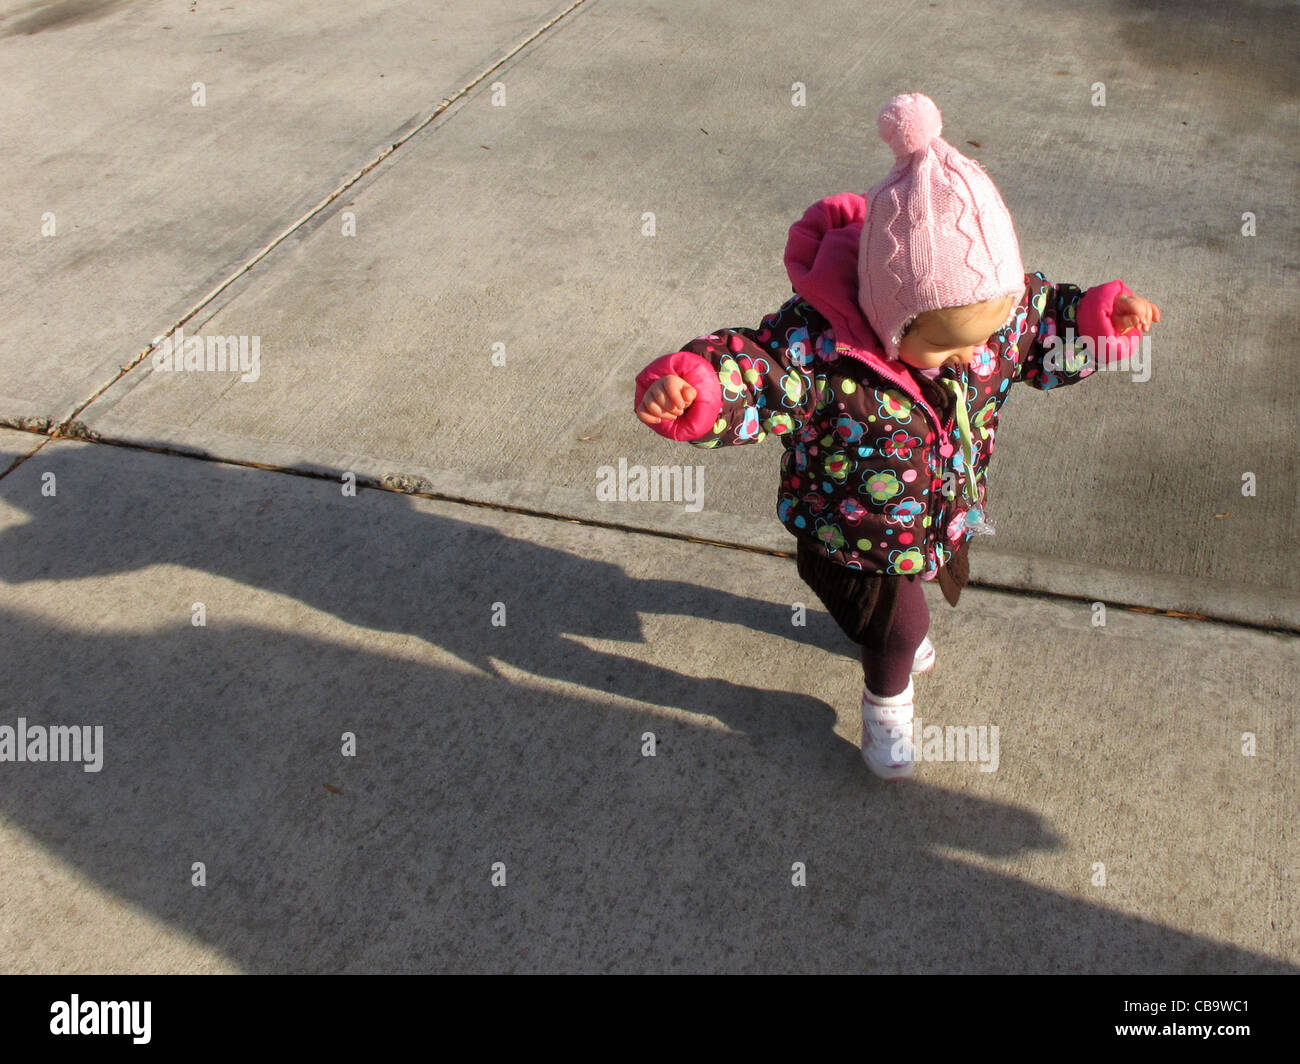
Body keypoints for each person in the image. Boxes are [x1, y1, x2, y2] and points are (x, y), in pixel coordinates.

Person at [633, 93, 1160, 778]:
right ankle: (887, 709)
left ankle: (897, 636)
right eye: (943, 350)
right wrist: (699, 387)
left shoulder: (988, 322)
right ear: (891, 316)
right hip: (850, 531)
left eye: (984, 338)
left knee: (938, 578)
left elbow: (1042, 330)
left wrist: (1095, 322)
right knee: (900, 629)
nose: (970, 360)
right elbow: (756, 369)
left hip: (934, 508)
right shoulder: (821, 351)